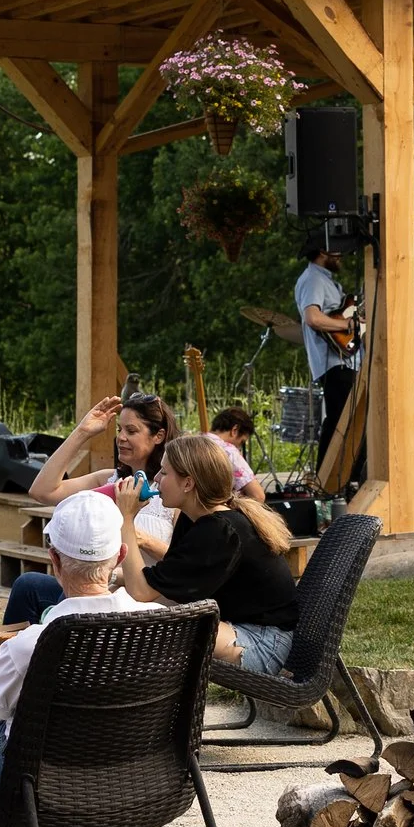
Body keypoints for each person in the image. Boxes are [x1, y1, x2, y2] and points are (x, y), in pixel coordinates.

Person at [0, 492, 154, 790]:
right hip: (126, 773)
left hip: (31, 777)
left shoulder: (37, 642)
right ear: (120, 555)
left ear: (53, 557)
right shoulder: (161, 625)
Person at [9, 393, 260, 627]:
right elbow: (42, 491)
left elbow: (190, 561)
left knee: (49, 594)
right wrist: (83, 432)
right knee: (28, 585)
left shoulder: (173, 494)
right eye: (119, 429)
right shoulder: (109, 481)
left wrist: (139, 537)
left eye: (131, 430)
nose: (121, 437)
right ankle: (12, 663)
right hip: (101, 591)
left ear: (158, 436)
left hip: (145, 604)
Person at [114, 433, 300, 676]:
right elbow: (168, 584)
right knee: (140, 619)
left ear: (188, 483)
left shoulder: (220, 530)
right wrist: (111, 582)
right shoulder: (196, 520)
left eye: (164, 472)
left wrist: (126, 518)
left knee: (154, 632)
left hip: (262, 642)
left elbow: (141, 591)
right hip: (238, 627)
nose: (157, 479)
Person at [296, 226, 362, 475]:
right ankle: (326, 478)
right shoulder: (313, 279)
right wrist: (347, 324)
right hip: (334, 363)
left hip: (344, 362)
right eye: (338, 251)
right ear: (324, 250)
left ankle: (340, 477)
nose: (342, 256)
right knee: (338, 422)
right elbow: (312, 317)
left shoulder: (325, 280)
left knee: (345, 421)